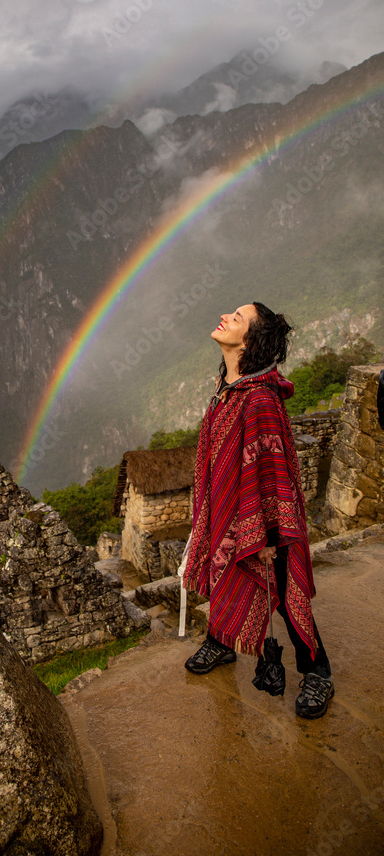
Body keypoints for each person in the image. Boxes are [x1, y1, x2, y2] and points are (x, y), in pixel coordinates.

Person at [181, 302, 333, 719]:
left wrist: (267, 537)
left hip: (268, 523)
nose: (227, 316)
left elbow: (273, 471)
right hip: (228, 510)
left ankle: (317, 671)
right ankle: (222, 640)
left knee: (284, 593)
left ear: (250, 339)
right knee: (222, 570)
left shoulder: (260, 399)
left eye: (238, 317)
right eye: (230, 311)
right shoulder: (228, 386)